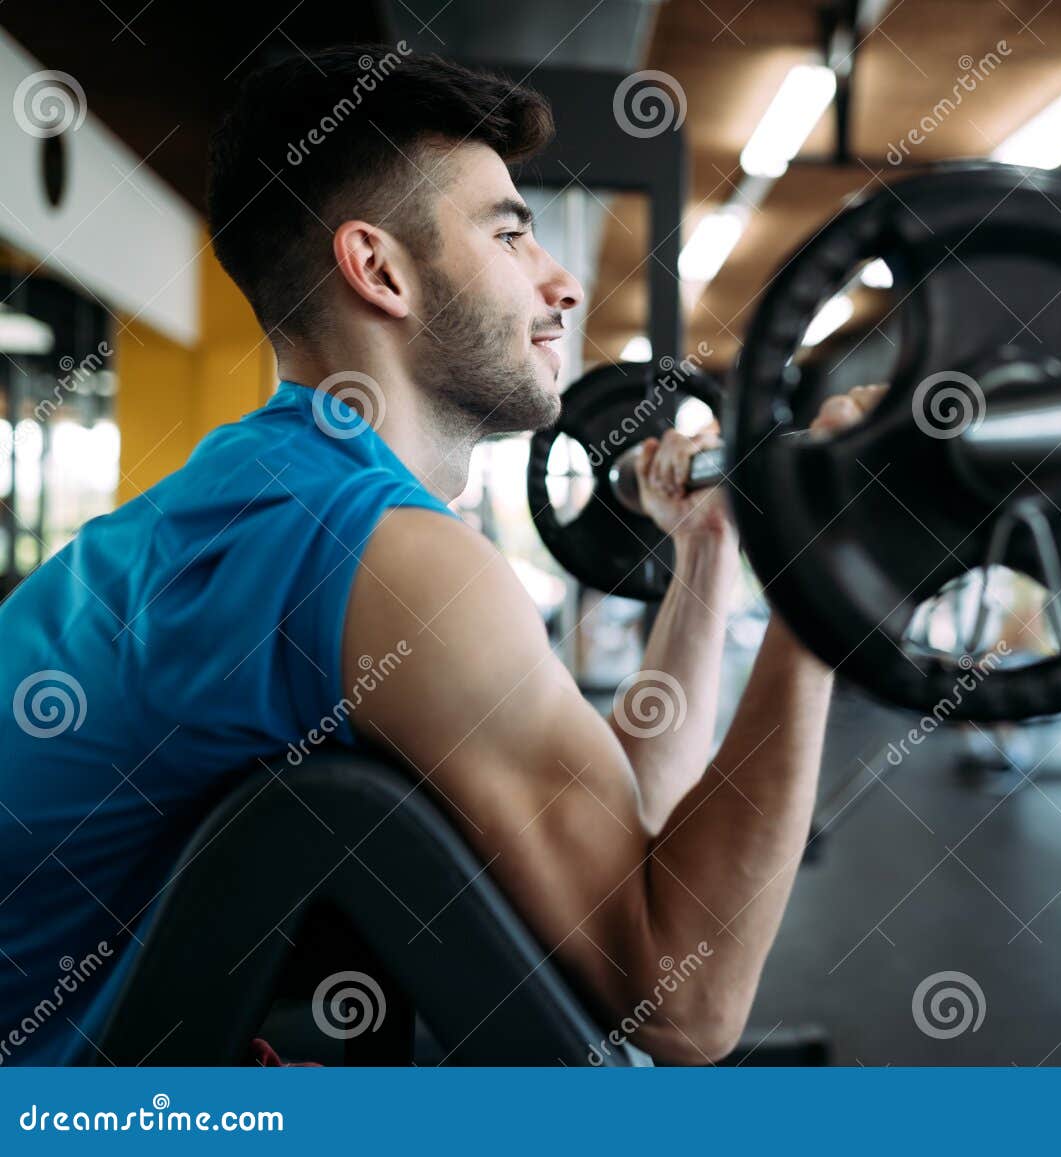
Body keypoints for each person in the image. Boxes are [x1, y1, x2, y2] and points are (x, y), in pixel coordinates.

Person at [0, 47, 881, 1065]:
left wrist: (706, 548)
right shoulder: (382, 553)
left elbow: (616, 821)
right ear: (380, 270)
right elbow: (684, 1001)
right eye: (509, 234)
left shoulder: (272, 491)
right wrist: (827, 571)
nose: (561, 285)